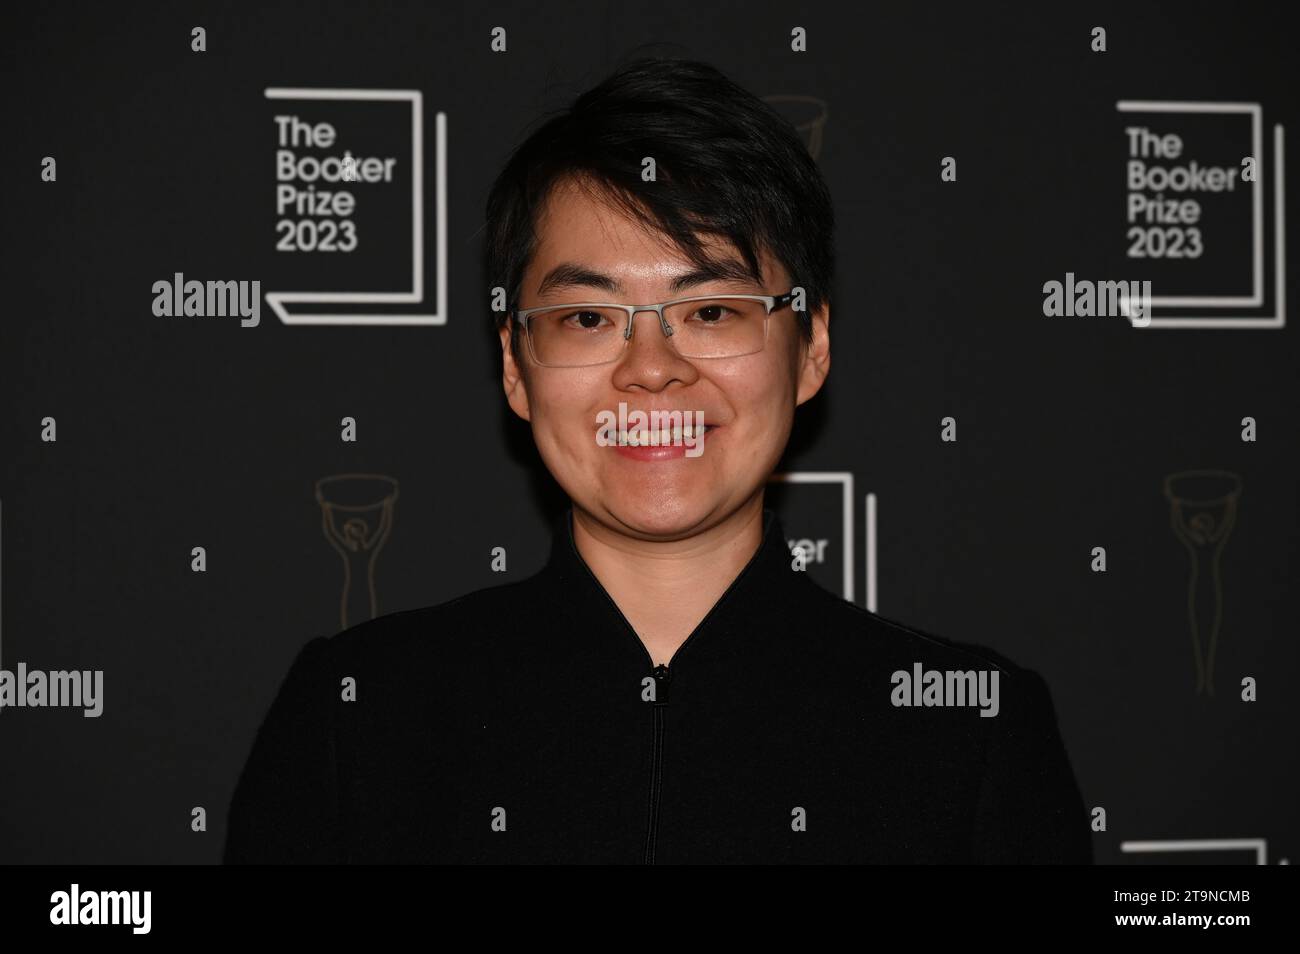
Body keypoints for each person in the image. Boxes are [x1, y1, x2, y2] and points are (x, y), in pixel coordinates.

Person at [224, 56, 1091, 864]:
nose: (650, 368)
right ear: (514, 368)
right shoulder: (356, 714)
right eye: (588, 319)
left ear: (812, 347)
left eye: (712, 311)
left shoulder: (970, 729)